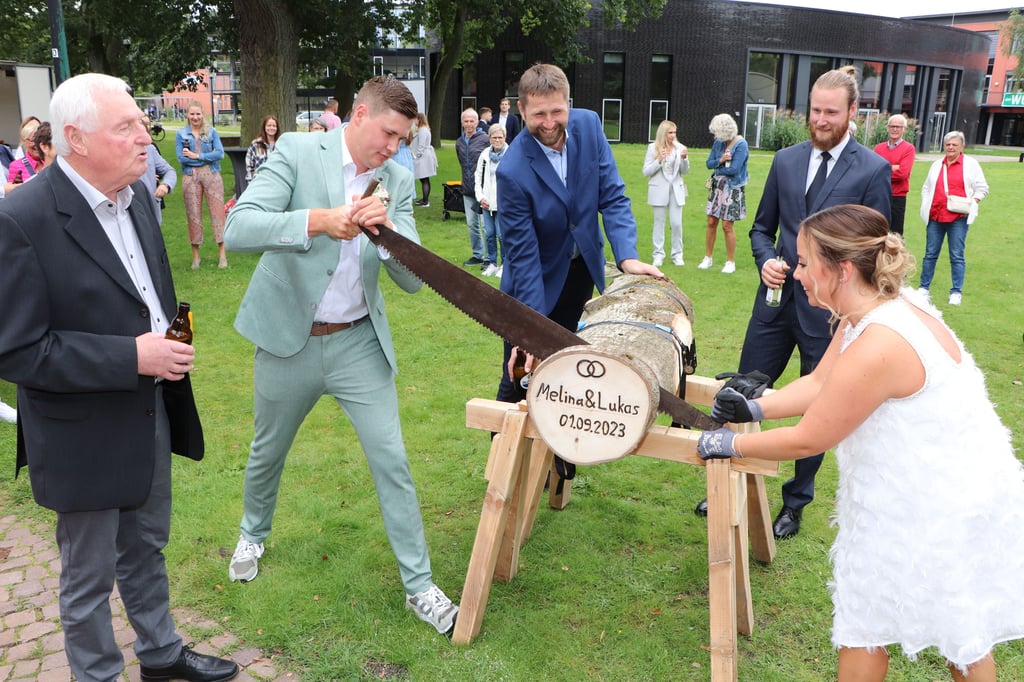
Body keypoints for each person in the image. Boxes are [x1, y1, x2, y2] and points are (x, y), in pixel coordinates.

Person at [698, 204, 1024, 682]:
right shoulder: (873, 309)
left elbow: (812, 436)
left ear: (843, 269)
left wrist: (726, 446)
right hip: (935, 487)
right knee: (932, 624)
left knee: (920, 628)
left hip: (938, 503)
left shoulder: (879, 341)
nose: (797, 274)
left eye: (805, 262)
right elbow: (820, 382)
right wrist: (757, 407)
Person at [0, 72, 238, 682]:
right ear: (76, 139)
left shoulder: (135, 197)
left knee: (146, 547)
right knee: (88, 576)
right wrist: (132, 357)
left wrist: (173, 337)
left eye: (142, 123)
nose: (145, 137)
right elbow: (18, 351)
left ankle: (160, 655)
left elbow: (149, 293)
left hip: (149, 411)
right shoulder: (21, 217)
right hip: (79, 433)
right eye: (127, 126)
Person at [223, 75, 459, 636]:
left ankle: (419, 587)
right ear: (359, 115)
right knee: (267, 450)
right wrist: (320, 220)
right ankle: (253, 534)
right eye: (388, 134)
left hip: (358, 342)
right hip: (289, 338)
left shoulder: (396, 179)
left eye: (403, 139)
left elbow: (413, 281)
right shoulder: (297, 150)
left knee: (392, 460)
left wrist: (390, 233)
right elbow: (238, 229)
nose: (394, 148)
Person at [701, 66, 891, 538]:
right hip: (773, 304)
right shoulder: (786, 160)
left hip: (827, 317)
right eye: (815, 110)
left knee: (818, 403)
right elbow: (761, 228)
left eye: (831, 112)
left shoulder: (872, 170)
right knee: (744, 387)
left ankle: (795, 502)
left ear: (852, 111)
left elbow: (876, 249)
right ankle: (727, 475)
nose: (821, 120)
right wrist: (765, 260)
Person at [494, 62, 664, 410]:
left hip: (580, 274)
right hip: (533, 284)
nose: (549, 123)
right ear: (521, 110)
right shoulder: (511, 171)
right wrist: (532, 326)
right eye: (538, 114)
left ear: (568, 104)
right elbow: (523, 256)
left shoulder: (589, 126)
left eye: (557, 111)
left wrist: (627, 256)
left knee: (569, 372)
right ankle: (502, 438)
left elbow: (612, 196)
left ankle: (563, 443)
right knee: (522, 375)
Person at [917, 130, 988, 307]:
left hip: (958, 218)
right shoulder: (937, 164)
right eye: (948, 144)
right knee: (930, 254)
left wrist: (972, 202)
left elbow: (982, 188)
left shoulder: (970, 164)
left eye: (954, 144)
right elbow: (926, 187)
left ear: (962, 147)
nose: (950, 147)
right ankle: (924, 288)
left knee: (956, 255)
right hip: (935, 216)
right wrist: (926, 203)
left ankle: (956, 292)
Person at [175, 100, 227, 270]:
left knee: (218, 213)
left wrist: (197, 156)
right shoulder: (181, 134)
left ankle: (222, 254)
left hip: (212, 174)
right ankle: (196, 257)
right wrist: (204, 159)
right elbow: (182, 158)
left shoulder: (211, 132)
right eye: (192, 114)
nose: (195, 117)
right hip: (190, 176)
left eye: (198, 114)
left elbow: (220, 153)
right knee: (193, 215)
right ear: (187, 115)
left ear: (202, 114)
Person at [699, 114, 749, 274]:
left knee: (727, 225)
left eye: (716, 131)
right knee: (711, 221)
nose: (715, 135)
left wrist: (718, 169)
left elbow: (734, 170)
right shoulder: (718, 142)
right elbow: (709, 163)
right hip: (717, 187)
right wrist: (720, 160)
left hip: (733, 188)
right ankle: (707, 258)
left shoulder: (741, 145)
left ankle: (730, 261)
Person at [643, 119, 689, 267]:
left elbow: (685, 171)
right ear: (663, 133)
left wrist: (684, 159)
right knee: (659, 223)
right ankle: (658, 254)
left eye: (674, 132)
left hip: (676, 190)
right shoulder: (652, 148)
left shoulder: (680, 148)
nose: (673, 135)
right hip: (658, 190)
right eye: (670, 133)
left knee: (676, 223)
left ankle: (677, 254)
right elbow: (646, 171)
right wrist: (659, 160)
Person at [456, 108, 489, 267]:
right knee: (472, 224)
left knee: (486, 226)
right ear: (462, 122)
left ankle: (489, 258)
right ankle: (478, 255)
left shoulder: (485, 139)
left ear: (477, 122)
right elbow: (462, 163)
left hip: (483, 190)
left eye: (472, 121)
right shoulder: (459, 142)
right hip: (468, 189)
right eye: (466, 121)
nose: (469, 124)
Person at [873, 114, 915, 235]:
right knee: (877, 231)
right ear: (887, 128)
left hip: (897, 197)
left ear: (904, 129)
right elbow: (872, 171)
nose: (895, 129)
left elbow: (902, 174)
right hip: (879, 195)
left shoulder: (908, 149)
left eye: (898, 127)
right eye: (892, 126)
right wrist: (893, 167)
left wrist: (882, 170)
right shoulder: (879, 148)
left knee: (896, 233)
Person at [474, 123, 508, 277]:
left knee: (502, 235)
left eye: (500, 137)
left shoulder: (510, 154)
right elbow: (477, 177)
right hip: (487, 203)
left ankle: (505, 264)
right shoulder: (484, 155)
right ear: (489, 139)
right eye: (494, 137)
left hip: (503, 203)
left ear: (505, 138)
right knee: (489, 234)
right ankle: (492, 263)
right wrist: (480, 197)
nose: (497, 140)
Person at [141, 116, 177, 225]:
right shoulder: (119, 153)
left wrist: (165, 185)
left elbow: (169, 171)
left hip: (152, 208)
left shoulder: (150, 149)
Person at [4, 118, 43, 193]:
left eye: (40, 140)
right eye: (33, 140)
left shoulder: (50, 161)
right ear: (24, 142)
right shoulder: (16, 166)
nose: (37, 144)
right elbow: (12, 194)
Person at [411, 112, 438, 206]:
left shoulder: (422, 130)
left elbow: (421, 145)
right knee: (424, 179)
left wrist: (416, 156)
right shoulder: (423, 129)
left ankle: (425, 201)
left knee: (424, 179)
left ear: (419, 119)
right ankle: (424, 199)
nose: (414, 121)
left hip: (423, 158)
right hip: (424, 156)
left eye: (415, 119)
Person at [244, 115, 280, 181]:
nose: (271, 128)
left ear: (277, 128)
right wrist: (251, 181)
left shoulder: (281, 145)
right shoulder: (256, 144)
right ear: (264, 127)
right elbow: (249, 165)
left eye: (274, 126)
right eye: (269, 125)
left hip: (277, 181)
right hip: (259, 181)